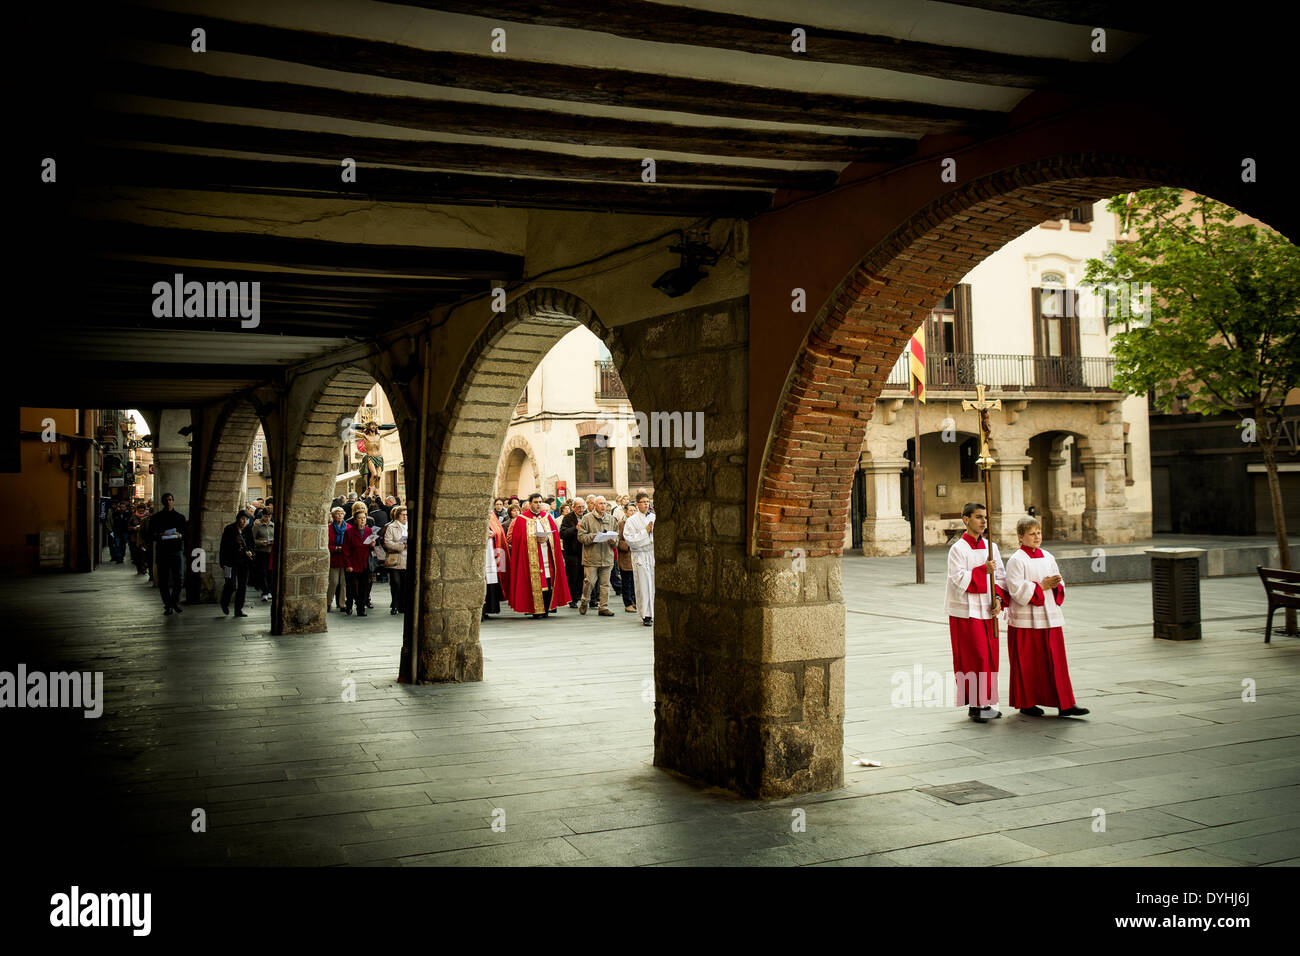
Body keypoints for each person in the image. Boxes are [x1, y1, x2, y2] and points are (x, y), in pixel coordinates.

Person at [1004, 516, 1090, 718]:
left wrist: (1057, 584)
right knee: (1028, 663)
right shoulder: (1016, 559)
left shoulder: (1048, 556)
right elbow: (1015, 589)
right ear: (1020, 536)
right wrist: (1041, 586)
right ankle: (1027, 702)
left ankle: (1065, 703)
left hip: (1050, 617)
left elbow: (1060, 584)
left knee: (1056, 662)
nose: (1036, 537)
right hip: (1025, 621)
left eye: (1039, 533)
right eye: (1032, 534)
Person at [946, 502, 1007, 722]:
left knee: (990, 658)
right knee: (975, 657)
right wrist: (983, 570)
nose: (983, 522)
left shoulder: (992, 547)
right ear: (966, 520)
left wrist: (999, 599)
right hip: (967, 612)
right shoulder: (957, 549)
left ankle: (985, 704)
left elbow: (1000, 577)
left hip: (988, 609)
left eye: (985, 518)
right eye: (978, 517)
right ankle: (975, 704)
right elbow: (958, 579)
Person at [505, 492, 570, 618]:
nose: (538, 504)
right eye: (536, 502)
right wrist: (534, 539)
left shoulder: (547, 517)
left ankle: (547, 608)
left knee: (548, 581)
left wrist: (547, 538)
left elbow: (555, 536)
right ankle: (536, 610)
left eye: (540, 502)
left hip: (547, 555)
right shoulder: (522, 519)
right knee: (536, 584)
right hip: (531, 558)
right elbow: (517, 540)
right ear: (530, 504)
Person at [577, 495, 619, 617]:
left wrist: (613, 541)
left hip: (607, 556)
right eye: (600, 504)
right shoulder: (587, 518)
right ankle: (585, 601)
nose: (603, 506)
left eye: (605, 504)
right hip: (591, 557)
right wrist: (595, 536)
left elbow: (617, 537)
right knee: (589, 582)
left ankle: (603, 607)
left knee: (605, 584)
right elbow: (581, 537)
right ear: (594, 505)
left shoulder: (612, 519)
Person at [621, 492, 656, 624]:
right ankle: (646, 614)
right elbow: (630, 540)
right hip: (640, 555)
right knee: (644, 585)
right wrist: (645, 531)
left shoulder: (654, 517)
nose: (646, 504)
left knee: (653, 584)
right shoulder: (631, 520)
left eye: (648, 501)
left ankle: (654, 612)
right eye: (643, 502)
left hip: (652, 554)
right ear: (637, 504)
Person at [150, 492, 187, 615]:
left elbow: (185, 534)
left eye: (171, 499)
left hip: (176, 550)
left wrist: (180, 535)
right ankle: (168, 604)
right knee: (163, 580)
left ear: (173, 501)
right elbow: (150, 534)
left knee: (179, 579)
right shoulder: (156, 518)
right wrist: (159, 535)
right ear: (163, 502)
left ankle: (174, 601)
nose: (169, 502)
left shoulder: (180, 517)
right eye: (166, 500)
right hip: (163, 551)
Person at [342, 502, 377, 616]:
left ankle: (361, 609)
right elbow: (346, 550)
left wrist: (372, 545)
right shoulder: (349, 532)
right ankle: (349, 605)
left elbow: (371, 548)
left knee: (363, 587)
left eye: (364, 518)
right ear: (355, 520)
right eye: (360, 518)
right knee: (351, 587)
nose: (363, 520)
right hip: (353, 563)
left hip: (364, 563)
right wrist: (348, 565)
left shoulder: (369, 531)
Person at [219, 511, 255, 617]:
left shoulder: (248, 530)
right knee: (230, 585)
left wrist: (251, 552)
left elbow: (252, 544)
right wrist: (223, 562)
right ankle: (224, 603)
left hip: (244, 562)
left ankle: (238, 609)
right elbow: (223, 547)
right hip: (230, 561)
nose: (244, 522)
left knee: (242, 585)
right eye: (242, 519)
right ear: (238, 518)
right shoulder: (229, 529)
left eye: (246, 519)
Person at [559, 497, 586, 608]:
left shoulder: (587, 516)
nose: (580, 509)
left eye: (582, 507)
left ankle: (581, 596)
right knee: (572, 576)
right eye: (578, 507)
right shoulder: (568, 518)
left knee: (583, 576)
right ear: (573, 507)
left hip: (585, 551)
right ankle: (572, 599)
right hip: (572, 552)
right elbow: (563, 533)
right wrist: (575, 528)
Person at [484, 506, 510, 620]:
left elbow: (499, 531)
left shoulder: (491, 514)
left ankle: (489, 608)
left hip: (491, 551)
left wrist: (494, 533)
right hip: (482, 552)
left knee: (490, 579)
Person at [383, 505, 410, 615]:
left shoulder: (409, 526)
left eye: (406, 515)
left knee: (404, 584)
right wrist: (401, 546)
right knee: (396, 584)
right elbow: (387, 542)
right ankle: (394, 605)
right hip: (395, 560)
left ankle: (403, 606)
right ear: (397, 516)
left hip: (407, 560)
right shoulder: (391, 527)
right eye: (403, 515)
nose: (405, 517)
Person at [615, 507, 636, 613]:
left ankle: (635, 601)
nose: (633, 512)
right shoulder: (621, 524)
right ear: (625, 512)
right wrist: (629, 544)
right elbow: (617, 540)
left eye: (634, 510)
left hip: (636, 555)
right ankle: (627, 603)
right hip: (626, 556)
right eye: (630, 510)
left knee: (634, 581)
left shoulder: (637, 522)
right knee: (626, 581)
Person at [326, 506, 348, 611]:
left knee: (344, 582)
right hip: (334, 557)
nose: (339, 515)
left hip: (345, 558)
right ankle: (328, 602)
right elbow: (325, 544)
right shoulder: (329, 528)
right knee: (334, 581)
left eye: (341, 513)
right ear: (333, 516)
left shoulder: (348, 527)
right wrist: (335, 548)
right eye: (337, 514)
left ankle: (342, 603)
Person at [252, 503, 275, 602]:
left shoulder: (273, 526)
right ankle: (264, 591)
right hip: (261, 552)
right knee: (263, 572)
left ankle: (269, 591)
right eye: (266, 516)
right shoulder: (257, 526)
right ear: (262, 515)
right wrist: (261, 542)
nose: (267, 519)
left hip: (271, 552)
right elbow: (252, 540)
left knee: (270, 573)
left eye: (269, 517)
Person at [128, 503, 150, 575]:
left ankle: (144, 568)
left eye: (142, 508)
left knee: (144, 554)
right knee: (136, 554)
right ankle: (139, 568)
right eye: (139, 508)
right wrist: (133, 528)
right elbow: (128, 527)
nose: (141, 510)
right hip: (135, 539)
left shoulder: (147, 516)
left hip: (144, 539)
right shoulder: (133, 516)